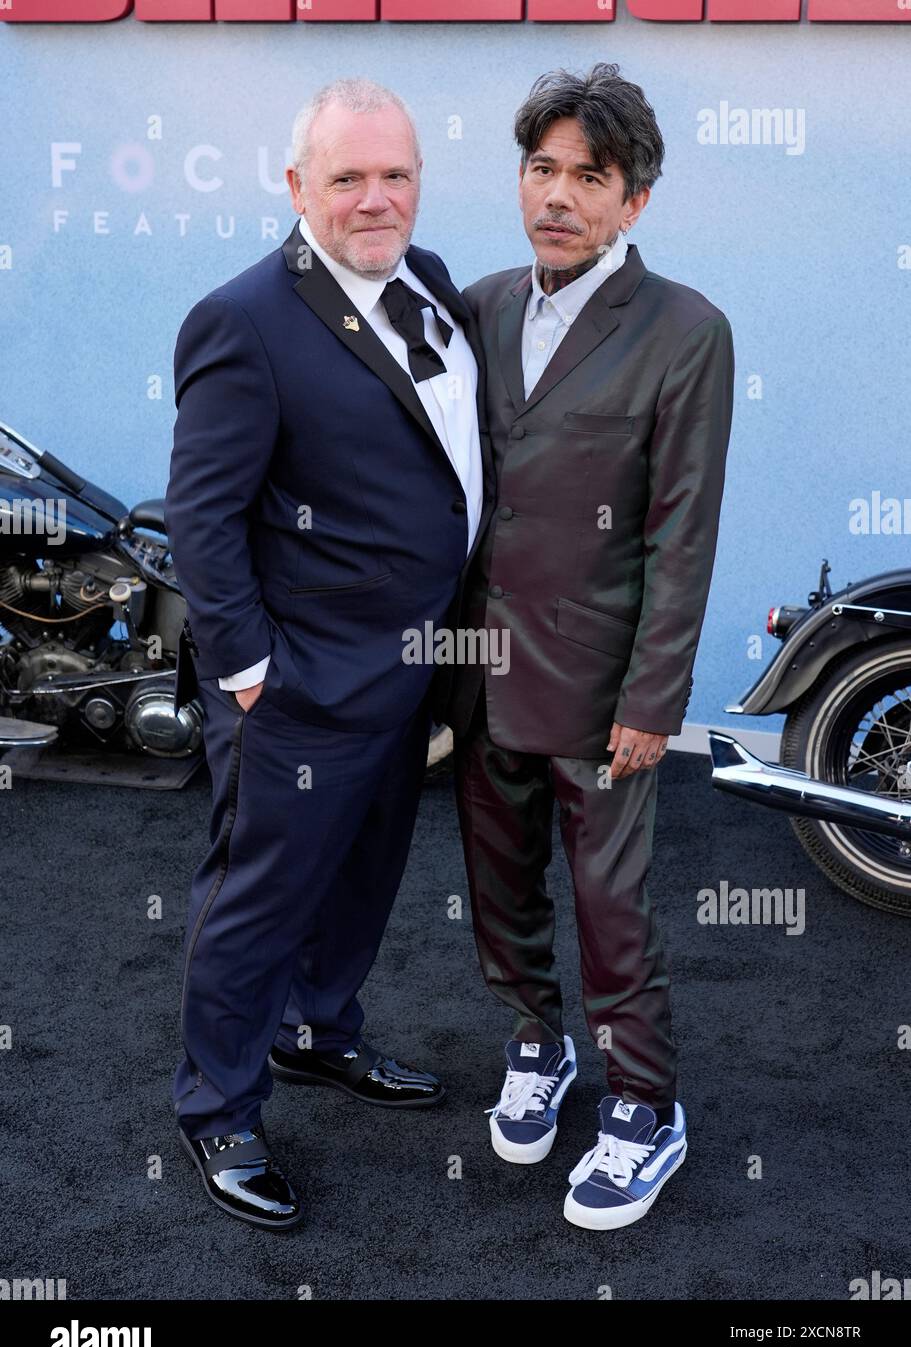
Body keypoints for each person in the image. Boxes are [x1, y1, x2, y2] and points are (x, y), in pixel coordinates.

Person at [166, 77, 492, 1230]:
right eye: (346, 177)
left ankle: (316, 1032)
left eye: (393, 173)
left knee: (362, 879)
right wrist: (251, 675)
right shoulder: (244, 319)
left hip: (408, 672)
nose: (374, 198)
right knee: (257, 896)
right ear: (296, 184)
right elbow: (200, 518)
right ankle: (217, 1108)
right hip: (299, 684)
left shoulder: (433, 281)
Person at [445, 62, 735, 1230]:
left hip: (604, 683)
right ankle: (535, 1041)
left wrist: (654, 697)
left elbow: (681, 528)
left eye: (587, 177)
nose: (556, 195)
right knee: (497, 885)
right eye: (540, 169)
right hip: (481, 673)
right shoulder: (477, 307)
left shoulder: (686, 331)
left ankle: (645, 1105)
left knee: (610, 904)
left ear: (635, 200)